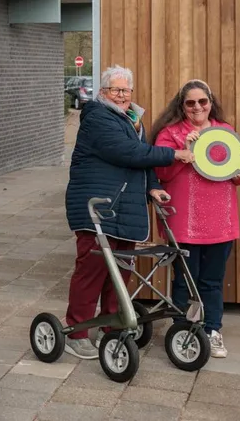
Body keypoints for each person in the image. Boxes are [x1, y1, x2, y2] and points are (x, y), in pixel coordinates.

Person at [64, 65, 193, 360]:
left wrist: (153, 186)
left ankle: (113, 327)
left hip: (126, 207)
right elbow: (128, 153)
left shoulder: (133, 119)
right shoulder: (97, 117)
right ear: (103, 92)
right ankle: (77, 331)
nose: (121, 95)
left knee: (120, 272)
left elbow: (141, 161)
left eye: (125, 90)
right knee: (92, 272)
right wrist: (175, 153)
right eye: (115, 90)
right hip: (97, 207)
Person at [149, 79, 240, 358]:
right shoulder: (170, 135)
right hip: (184, 223)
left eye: (202, 101)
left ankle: (212, 330)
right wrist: (183, 155)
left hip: (220, 222)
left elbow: (238, 176)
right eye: (190, 102)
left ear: (211, 103)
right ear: (182, 106)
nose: (197, 107)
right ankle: (182, 332)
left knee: (212, 282)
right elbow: (161, 175)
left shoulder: (224, 132)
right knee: (184, 280)